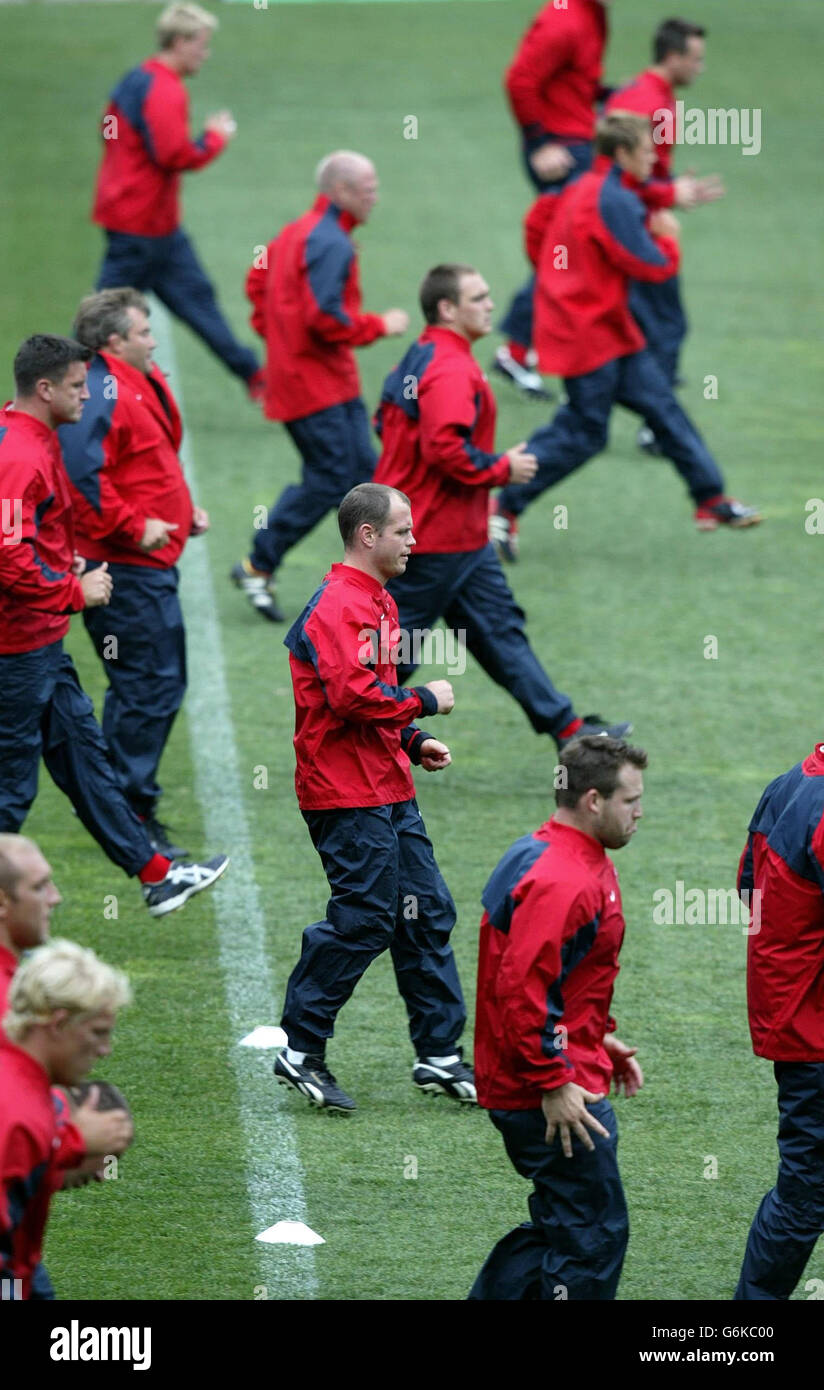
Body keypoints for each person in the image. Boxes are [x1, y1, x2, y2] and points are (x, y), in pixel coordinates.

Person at [0, 334, 229, 917]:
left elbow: (31, 532)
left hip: (40, 644)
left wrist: (62, 562)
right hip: (17, 651)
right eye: (78, 385)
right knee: (9, 796)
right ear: (45, 388)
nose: (88, 394)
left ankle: (158, 876)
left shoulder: (31, 437)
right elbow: (7, 555)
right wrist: (73, 588)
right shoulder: (22, 453)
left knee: (87, 763)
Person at [274, 483, 474, 1113]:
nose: (415, 541)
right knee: (365, 919)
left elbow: (371, 697)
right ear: (369, 535)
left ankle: (438, 1052)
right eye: (404, 531)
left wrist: (413, 739)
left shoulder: (377, 600)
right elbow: (349, 697)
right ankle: (301, 1049)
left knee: (426, 910)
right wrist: (423, 702)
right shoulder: (341, 604)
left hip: (385, 783)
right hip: (343, 793)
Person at [373, 263, 631, 750]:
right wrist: (501, 470)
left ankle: (569, 731)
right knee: (396, 652)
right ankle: (351, 728)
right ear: (448, 308)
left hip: (456, 536)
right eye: (479, 297)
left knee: (499, 632)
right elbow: (444, 449)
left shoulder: (419, 353)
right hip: (433, 540)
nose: (492, 304)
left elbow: (384, 424)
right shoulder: (450, 368)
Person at [490, 115, 761, 558]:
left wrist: (555, 277)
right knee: (583, 432)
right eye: (648, 150)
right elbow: (650, 265)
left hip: (608, 332)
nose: (655, 157)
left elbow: (539, 221)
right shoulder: (613, 199)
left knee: (661, 405)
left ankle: (711, 499)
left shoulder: (590, 186)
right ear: (623, 153)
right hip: (587, 337)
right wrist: (669, 239)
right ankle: (503, 506)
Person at [470, 735, 646, 1300]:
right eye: (630, 800)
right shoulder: (563, 880)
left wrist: (597, 1038)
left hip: (546, 1066)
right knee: (591, 1236)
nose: (640, 812)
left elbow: (559, 976)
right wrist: (554, 1079)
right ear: (594, 800)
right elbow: (521, 988)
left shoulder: (544, 851)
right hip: (545, 1090)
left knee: (561, 1224)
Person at [59, 288, 210, 860]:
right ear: (115, 341)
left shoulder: (137, 378)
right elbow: (79, 473)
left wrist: (178, 510)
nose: (152, 339)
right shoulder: (100, 389)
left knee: (153, 683)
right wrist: (132, 525)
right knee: (149, 686)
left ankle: (122, 803)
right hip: (122, 569)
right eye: (144, 331)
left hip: (147, 563)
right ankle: (126, 812)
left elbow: (145, 459)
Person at [232, 152, 410, 622]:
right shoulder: (331, 242)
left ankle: (384, 579)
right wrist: (378, 325)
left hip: (313, 382)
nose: (375, 197)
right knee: (336, 480)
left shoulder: (300, 231)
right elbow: (325, 319)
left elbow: (257, 281)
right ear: (343, 191)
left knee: (363, 478)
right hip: (317, 389)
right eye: (369, 188)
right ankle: (259, 562)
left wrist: (277, 339)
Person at [91, 2, 263, 398]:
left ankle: (254, 375)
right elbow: (175, 155)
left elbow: (107, 126)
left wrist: (125, 162)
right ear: (180, 41)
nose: (206, 52)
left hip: (147, 223)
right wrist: (215, 137)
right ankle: (58, 383)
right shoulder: (166, 90)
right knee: (100, 320)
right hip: (142, 227)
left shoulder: (136, 78)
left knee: (197, 301)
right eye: (202, 44)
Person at [605, 18, 724, 453]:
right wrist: (668, 194)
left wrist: (670, 190)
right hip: (639, 231)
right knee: (666, 325)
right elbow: (618, 174)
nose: (701, 68)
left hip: (636, 222)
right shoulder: (649, 104)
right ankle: (655, 424)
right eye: (696, 59)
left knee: (644, 324)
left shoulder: (644, 94)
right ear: (672, 57)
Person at [734, 742, 824, 1300]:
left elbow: (747, 884)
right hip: (813, 1030)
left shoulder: (791, 782)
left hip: (795, 1021)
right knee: (806, 1191)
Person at [0, 939, 133, 1299]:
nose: (104, 1050)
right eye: (97, 1033)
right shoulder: (21, 1114)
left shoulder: (25, 1086)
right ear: (58, 1024)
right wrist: (73, 1142)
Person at [495, 0, 613, 397]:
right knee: (566, 253)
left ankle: (521, 349)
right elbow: (520, 79)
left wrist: (610, 95)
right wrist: (539, 143)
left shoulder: (591, 14)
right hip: (561, 153)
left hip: (577, 147)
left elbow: (575, 79)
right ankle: (518, 348)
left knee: (567, 252)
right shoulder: (564, 19)